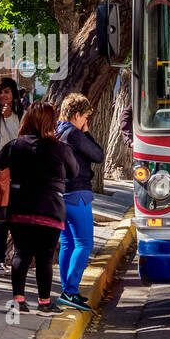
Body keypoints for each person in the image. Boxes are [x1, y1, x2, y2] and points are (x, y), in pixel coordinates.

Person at [0, 101, 78, 316]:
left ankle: (18, 301)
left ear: (28, 119)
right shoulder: (61, 148)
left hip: (20, 208)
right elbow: (74, 172)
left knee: (22, 253)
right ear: (51, 121)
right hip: (50, 209)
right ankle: (44, 303)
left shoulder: (15, 145)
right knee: (45, 257)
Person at [56, 94, 103, 312]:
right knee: (84, 243)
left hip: (60, 194)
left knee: (68, 243)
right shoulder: (74, 133)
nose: (86, 121)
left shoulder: (58, 129)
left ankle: (67, 290)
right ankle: (70, 291)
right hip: (77, 193)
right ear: (77, 115)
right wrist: (86, 132)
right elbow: (98, 155)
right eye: (85, 117)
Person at [0, 76, 24, 275]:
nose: (3, 96)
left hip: (16, 175)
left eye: (6, 92)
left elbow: (18, 140)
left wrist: (9, 117)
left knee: (15, 219)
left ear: (13, 94)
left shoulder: (21, 115)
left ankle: (18, 259)